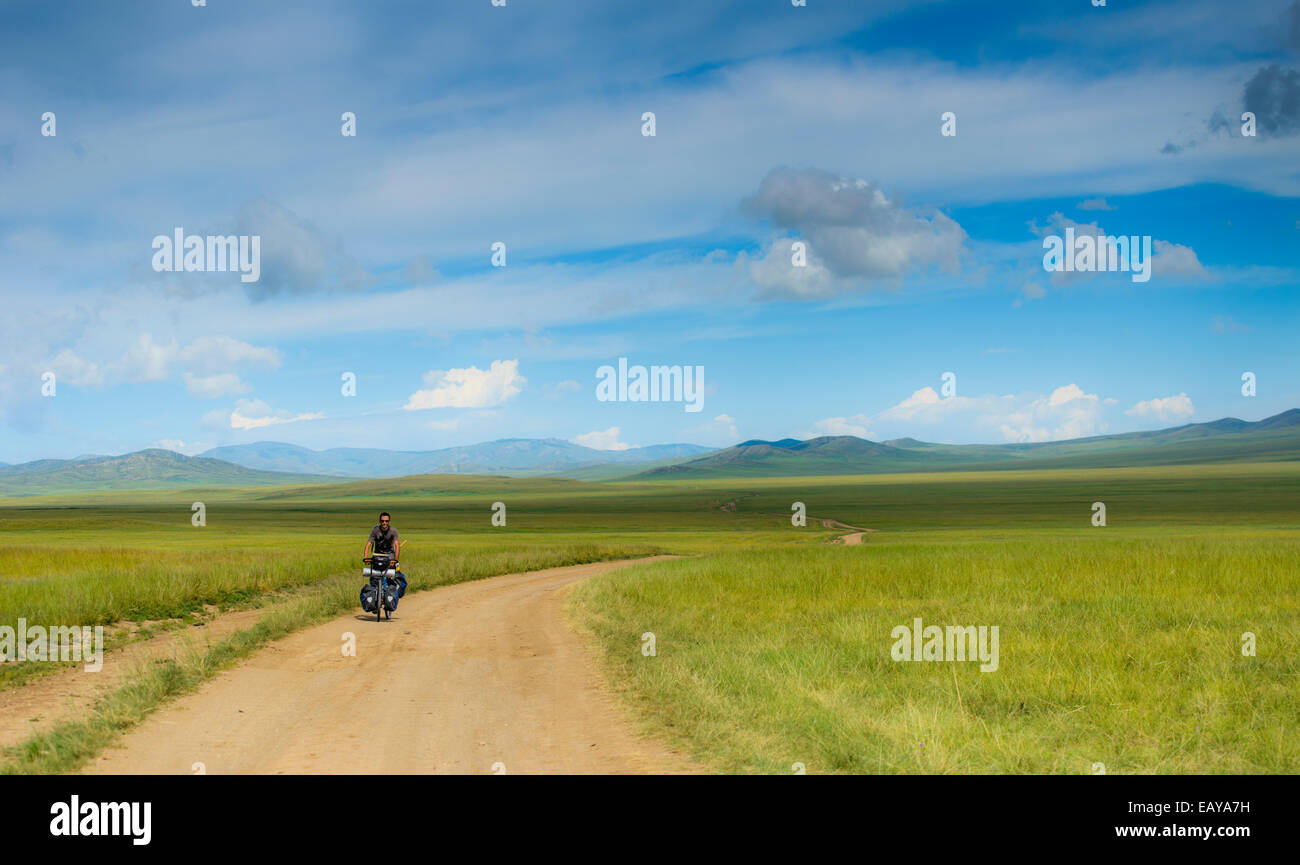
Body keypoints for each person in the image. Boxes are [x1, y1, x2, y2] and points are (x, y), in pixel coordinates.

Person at [363, 511, 407, 597]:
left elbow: (397, 545)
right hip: (377, 554)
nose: (384, 523)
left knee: (390, 574)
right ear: (380, 521)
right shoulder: (375, 530)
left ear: (389, 522)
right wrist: (365, 557)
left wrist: (395, 560)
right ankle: (375, 596)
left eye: (386, 521)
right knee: (374, 576)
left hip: (389, 555)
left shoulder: (393, 531)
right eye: (382, 521)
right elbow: (368, 544)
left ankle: (389, 592)